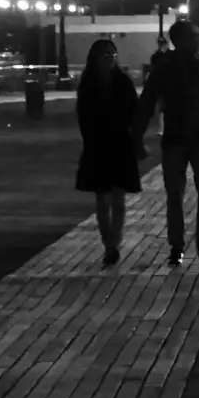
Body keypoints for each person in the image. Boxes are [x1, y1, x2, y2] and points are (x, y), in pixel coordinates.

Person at [130, 19, 199, 266]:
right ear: (180, 41)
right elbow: (147, 102)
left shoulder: (198, 66)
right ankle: (181, 242)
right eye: (192, 36)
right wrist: (136, 136)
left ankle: (196, 238)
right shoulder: (170, 67)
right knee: (184, 192)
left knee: (197, 190)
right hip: (182, 137)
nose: (197, 40)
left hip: (192, 136)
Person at [74, 37, 143, 267]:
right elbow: (83, 115)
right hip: (98, 144)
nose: (111, 60)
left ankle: (115, 241)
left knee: (117, 197)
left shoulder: (122, 82)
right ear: (95, 58)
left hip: (119, 143)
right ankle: (109, 243)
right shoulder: (89, 84)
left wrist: (136, 137)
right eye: (106, 56)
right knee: (103, 198)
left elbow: (135, 111)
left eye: (113, 56)